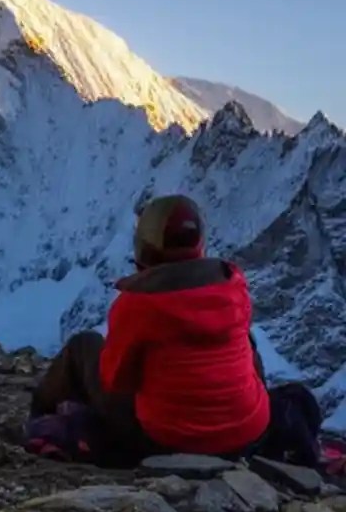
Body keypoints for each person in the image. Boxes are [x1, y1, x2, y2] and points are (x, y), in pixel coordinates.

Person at [29, 194, 271, 466]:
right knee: (246, 342)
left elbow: (115, 381)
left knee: (84, 345)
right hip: (246, 437)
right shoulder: (234, 287)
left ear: (143, 248)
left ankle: (38, 421)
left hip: (164, 441)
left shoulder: (138, 305)